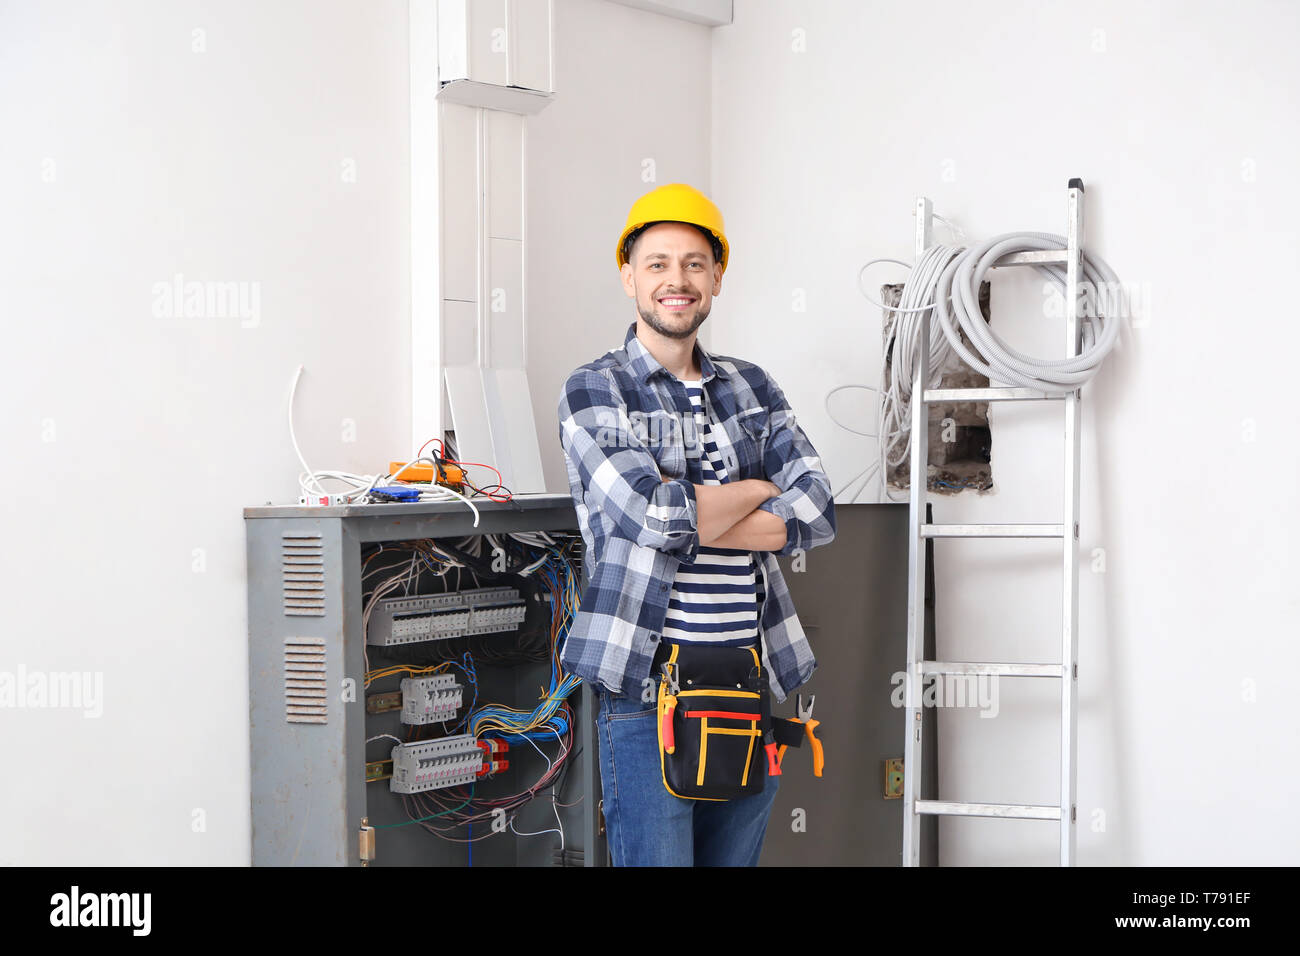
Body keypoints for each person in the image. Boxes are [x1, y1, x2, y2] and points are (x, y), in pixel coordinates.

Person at [556, 183, 836, 866]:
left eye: (693, 264)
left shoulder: (754, 387)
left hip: (750, 677)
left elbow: (817, 510)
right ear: (629, 276)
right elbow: (650, 514)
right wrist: (757, 487)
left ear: (715, 277)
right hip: (647, 689)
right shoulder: (595, 389)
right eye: (657, 264)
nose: (675, 281)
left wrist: (697, 508)